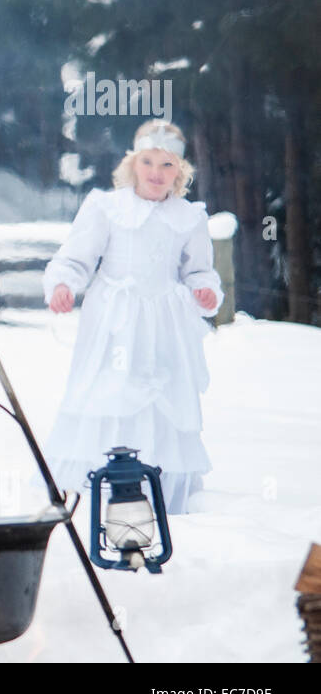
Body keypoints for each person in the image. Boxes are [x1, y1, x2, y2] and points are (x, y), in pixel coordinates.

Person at [43, 120, 223, 514]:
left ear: (180, 171)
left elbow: (198, 270)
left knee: (162, 397)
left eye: (167, 165)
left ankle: (162, 484)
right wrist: (63, 284)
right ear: (133, 164)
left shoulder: (188, 217)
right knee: (113, 390)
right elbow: (76, 257)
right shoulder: (107, 208)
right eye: (148, 162)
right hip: (115, 319)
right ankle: (100, 483)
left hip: (165, 325)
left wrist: (203, 291)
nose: (157, 173)